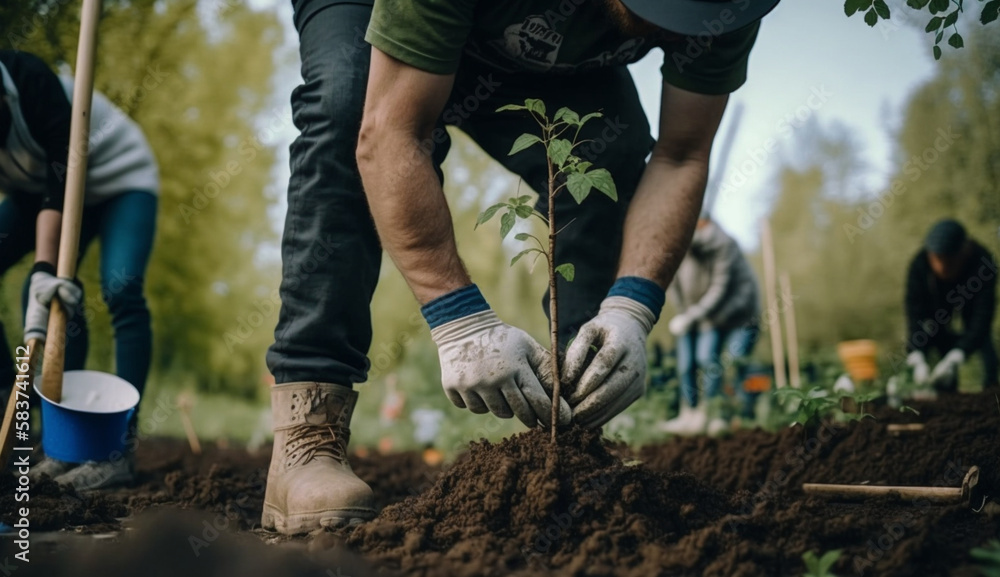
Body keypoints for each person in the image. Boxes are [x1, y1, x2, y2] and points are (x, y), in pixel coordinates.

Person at [263, 0, 780, 534]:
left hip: (526, 44)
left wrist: (632, 306)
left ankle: (573, 437)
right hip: (378, 12)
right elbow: (391, 133)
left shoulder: (728, 7)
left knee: (604, 151)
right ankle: (308, 432)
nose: (668, 28)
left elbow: (681, 155)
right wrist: (458, 318)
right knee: (349, 106)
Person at [0, 50, 159, 489]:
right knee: (44, 293)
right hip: (38, 192)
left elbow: (61, 183)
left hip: (117, 180)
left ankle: (117, 449)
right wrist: (45, 277)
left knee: (120, 286)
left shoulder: (30, 82)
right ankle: (35, 423)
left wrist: (45, 269)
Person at [660, 216, 760, 436]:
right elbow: (676, 285)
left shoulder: (722, 246)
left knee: (730, 362)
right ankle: (693, 414)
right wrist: (686, 313)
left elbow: (719, 288)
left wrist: (697, 315)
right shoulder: (685, 249)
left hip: (737, 317)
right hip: (705, 315)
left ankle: (728, 416)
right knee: (690, 363)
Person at [904, 219, 997, 393]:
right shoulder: (919, 264)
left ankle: (992, 392)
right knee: (934, 333)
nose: (941, 267)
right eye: (937, 259)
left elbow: (982, 316)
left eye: (948, 260)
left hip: (970, 300)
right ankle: (945, 392)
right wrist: (916, 354)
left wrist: (957, 355)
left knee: (984, 342)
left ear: (964, 252)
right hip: (937, 307)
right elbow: (914, 311)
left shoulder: (984, 264)